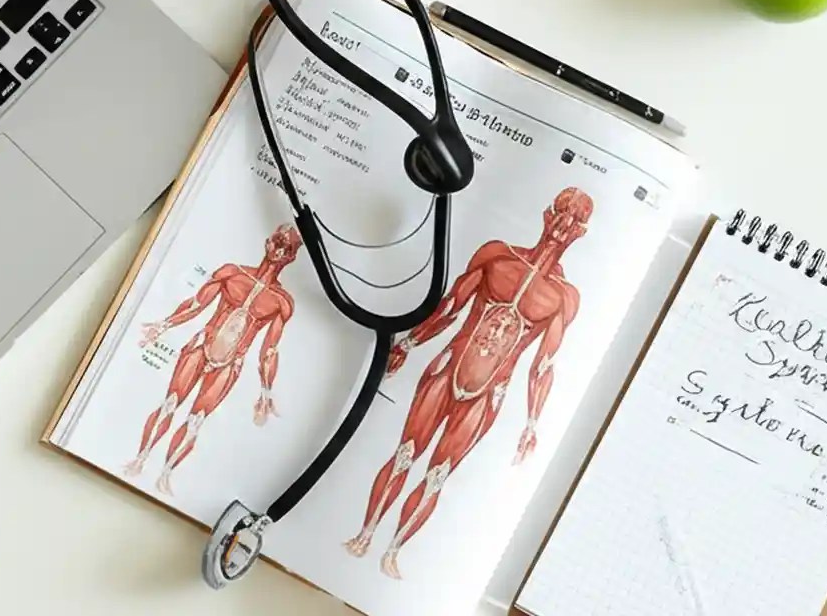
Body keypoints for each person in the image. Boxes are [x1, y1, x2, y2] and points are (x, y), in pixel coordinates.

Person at [344, 187, 593, 579]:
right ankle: (365, 534)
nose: (563, 226)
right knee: (405, 454)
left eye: (574, 220)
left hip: (487, 395)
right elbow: (450, 307)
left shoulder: (564, 297)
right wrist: (409, 342)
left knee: (437, 475)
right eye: (562, 212)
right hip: (448, 369)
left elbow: (543, 364)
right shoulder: (497, 255)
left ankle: (391, 552)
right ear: (548, 213)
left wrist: (531, 422)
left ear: (582, 233)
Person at [123, 225, 302, 495]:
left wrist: (266, 389)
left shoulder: (281, 301)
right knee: (169, 404)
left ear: (291, 258)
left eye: (286, 249)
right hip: (201, 346)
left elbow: (269, 349)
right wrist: (164, 324)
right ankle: (140, 460)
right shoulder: (232, 273)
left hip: (230, 363)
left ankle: (166, 475)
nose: (278, 250)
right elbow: (197, 304)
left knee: (196, 420)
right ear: (267, 241)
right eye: (277, 241)